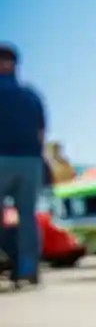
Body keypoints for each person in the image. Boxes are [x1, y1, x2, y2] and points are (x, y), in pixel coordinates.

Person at [0, 43, 46, 287]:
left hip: (2, 158)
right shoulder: (31, 95)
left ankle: (6, 261)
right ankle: (29, 268)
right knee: (28, 216)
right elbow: (41, 132)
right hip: (30, 161)